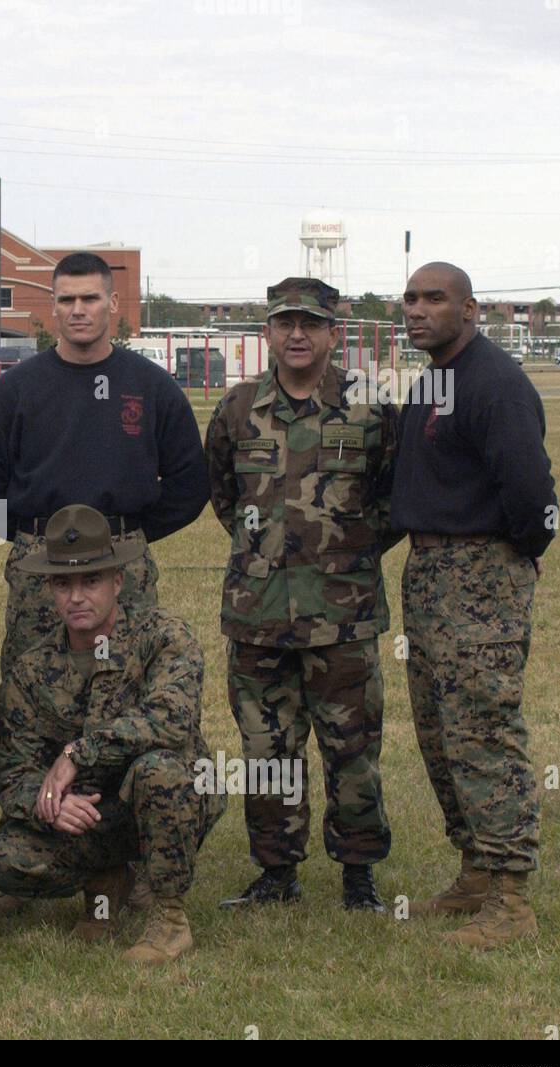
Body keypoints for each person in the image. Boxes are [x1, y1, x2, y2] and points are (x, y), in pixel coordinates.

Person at [204, 277, 396, 913]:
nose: (296, 334)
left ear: (333, 334)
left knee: (354, 751)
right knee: (266, 751)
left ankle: (359, 876)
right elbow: (227, 502)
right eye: (284, 323)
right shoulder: (237, 409)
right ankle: (276, 874)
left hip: (343, 618)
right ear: (268, 333)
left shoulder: (370, 407)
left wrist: (344, 556)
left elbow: (392, 501)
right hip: (258, 619)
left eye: (310, 324)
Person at [0, 505, 224, 965]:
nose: (76, 597)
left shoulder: (164, 638)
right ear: (49, 588)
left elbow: (171, 719)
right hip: (89, 815)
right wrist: (48, 804)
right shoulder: (31, 670)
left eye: (90, 581)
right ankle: (107, 877)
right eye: (63, 584)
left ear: (117, 582)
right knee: (4, 858)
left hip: (164, 797)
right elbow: (10, 769)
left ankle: (169, 919)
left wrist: (80, 752)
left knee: (159, 772)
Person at [392, 262, 556, 948]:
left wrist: (504, 560)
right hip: (428, 569)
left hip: (480, 573)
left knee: (483, 731)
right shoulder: (429, 381)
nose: (419, 310)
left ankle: (512, 899)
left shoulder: (496, 384)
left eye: (435, 299)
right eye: (411, 298)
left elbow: (531, 495)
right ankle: (477, 872)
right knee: (438, 732)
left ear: (470, 308)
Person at [0, 251, 208, 678]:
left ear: (112, 304)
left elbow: (190, 482)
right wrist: (31, 536)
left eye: (90, 298)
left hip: (121, 558)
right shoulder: (16, 390)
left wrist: (135, 531)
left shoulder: (150, 386)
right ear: (52, 307)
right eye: (66, 300)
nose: (78, 310)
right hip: (40, 564)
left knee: (125, 682)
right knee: (31, 688)